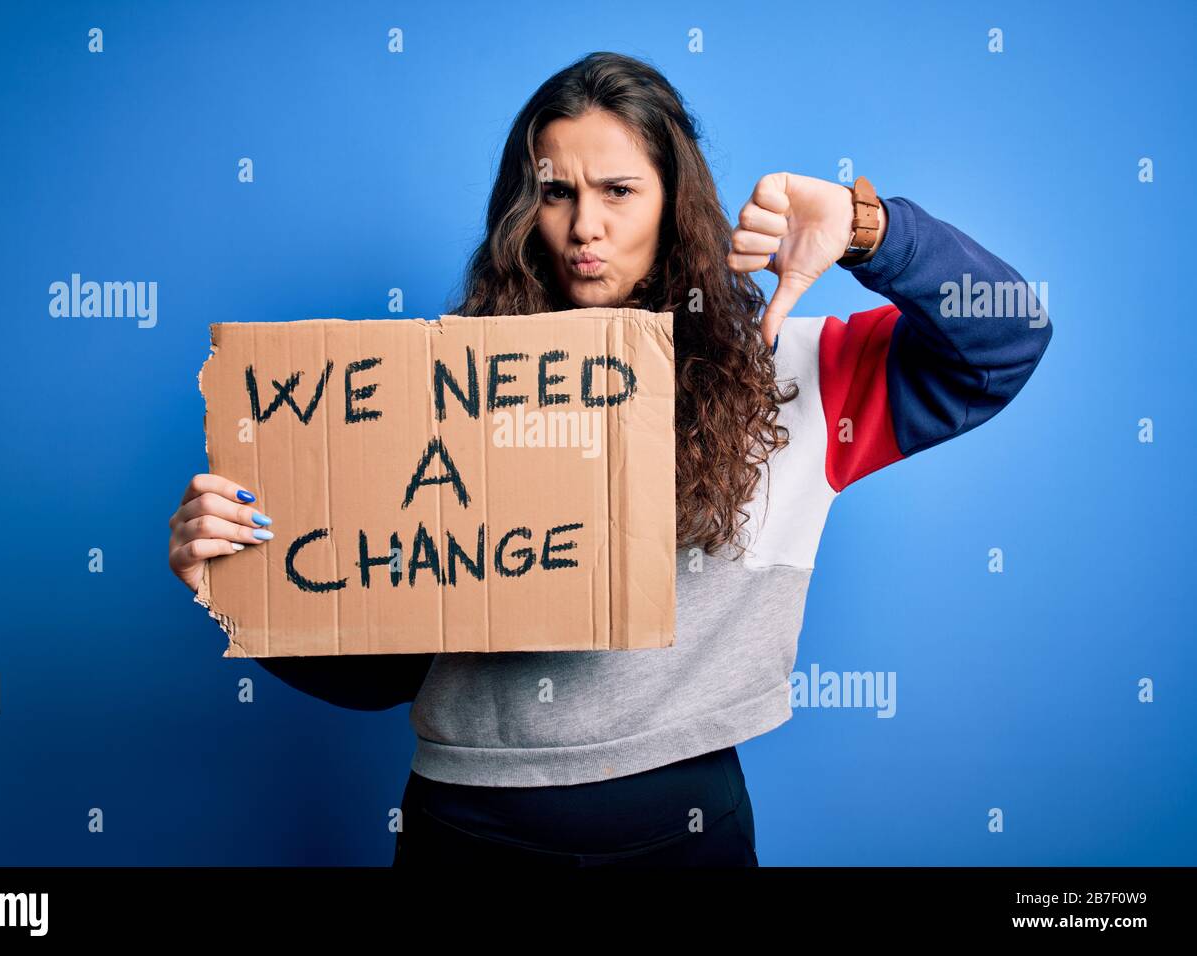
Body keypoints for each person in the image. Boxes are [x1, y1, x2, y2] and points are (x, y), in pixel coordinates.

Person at [167, 51, 1052, 867]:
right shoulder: (447, 385)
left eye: (620, 190)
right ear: (526, 208)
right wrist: (245, 586)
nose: (584, 226)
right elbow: (384, 674)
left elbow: (1009, 338)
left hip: (682, 827)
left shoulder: (789, 366)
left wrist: (871, 229)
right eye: (556, 193)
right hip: (464, 827)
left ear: (673, 200)